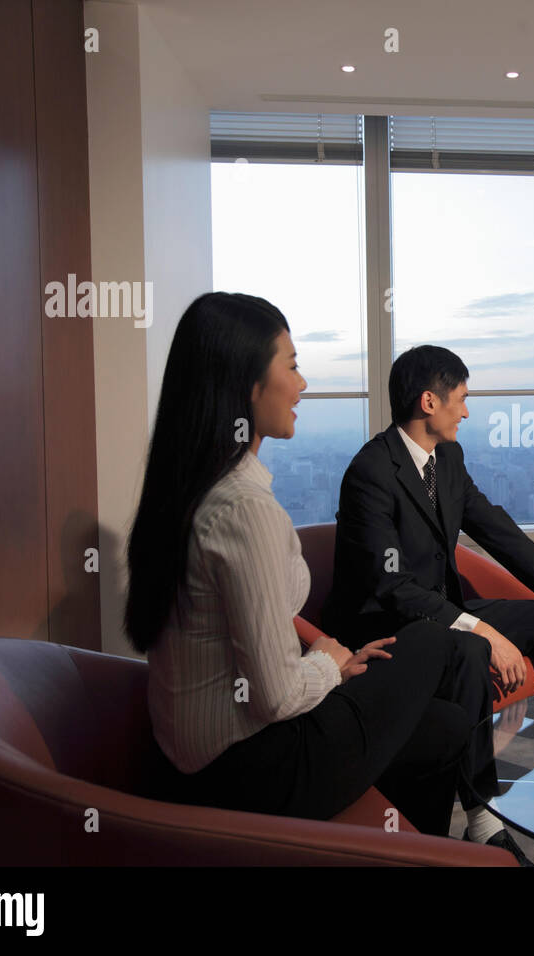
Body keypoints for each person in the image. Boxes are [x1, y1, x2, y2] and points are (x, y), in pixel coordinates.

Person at [124, 293, 485, 837]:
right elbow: (274, 696)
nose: (302, 384)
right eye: (291, 366)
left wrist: (328, 660)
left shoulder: (189, 488)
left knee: (448, 728)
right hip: (254, 769)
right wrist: (328, 663)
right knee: (433, 643)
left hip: (196, 757)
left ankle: (419, 852)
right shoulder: (244, 509)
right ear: (247, 380)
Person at [326, 344, 534, 865]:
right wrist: (479, 628)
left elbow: (493, 525)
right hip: (390, 623)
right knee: (472, 652)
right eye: (462, 398)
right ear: (429, 402)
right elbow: (392, 587)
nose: (468, 411)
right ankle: (482, 816)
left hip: (445, 609)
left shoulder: (447, 458)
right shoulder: (371, 471)